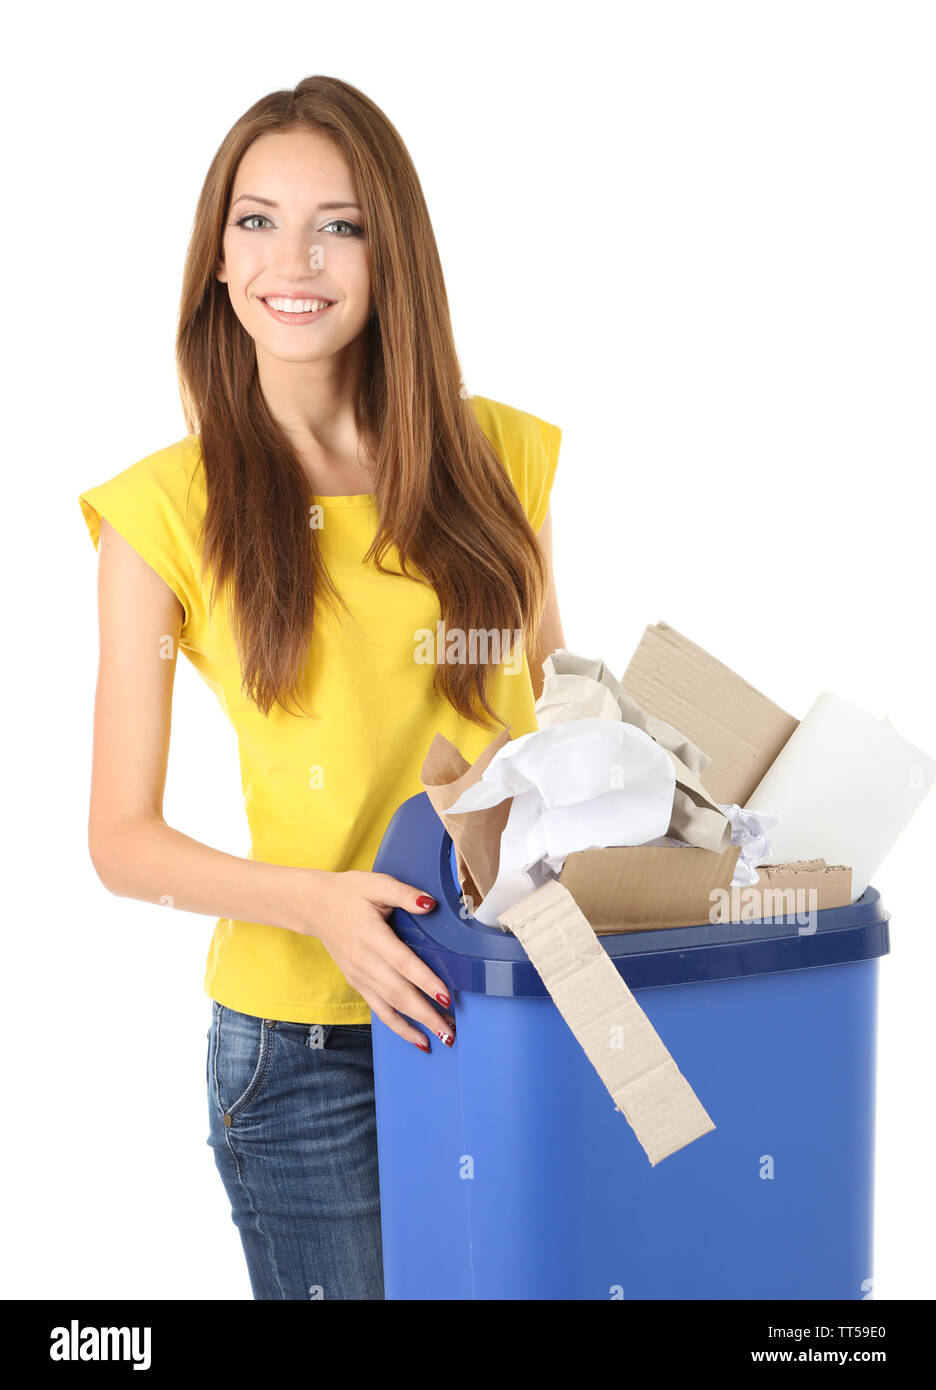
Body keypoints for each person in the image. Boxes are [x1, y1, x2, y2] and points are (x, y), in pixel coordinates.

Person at [78, 74, 565, 1301]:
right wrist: (323, 906)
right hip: (303, 1051)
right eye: (255, 220)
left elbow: (562, 721)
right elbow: (120, 840)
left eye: (337, 223)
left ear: (387, 250)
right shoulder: (163, 514)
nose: (291, 259)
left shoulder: (498, 460)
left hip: (517, 996)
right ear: (216, 256)